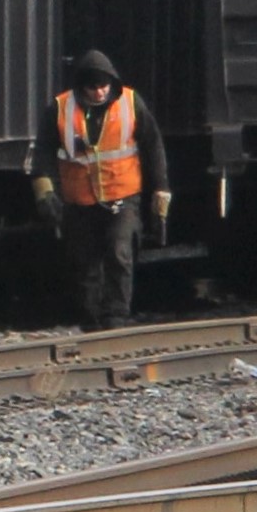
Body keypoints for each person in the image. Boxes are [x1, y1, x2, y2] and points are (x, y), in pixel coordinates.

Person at [32, 49, 170, 331]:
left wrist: (160, 192)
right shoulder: (60, 110)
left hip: (123, 197)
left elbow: (153, 146)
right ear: (82, 86)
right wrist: (45, 194)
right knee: (85, 262)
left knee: (120, 251)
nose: (99, 92)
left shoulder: (131, 104)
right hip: (79, 201)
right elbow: (43, 154)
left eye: (104, 87)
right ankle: (91, 319)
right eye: (93, 87)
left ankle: (116, 316)